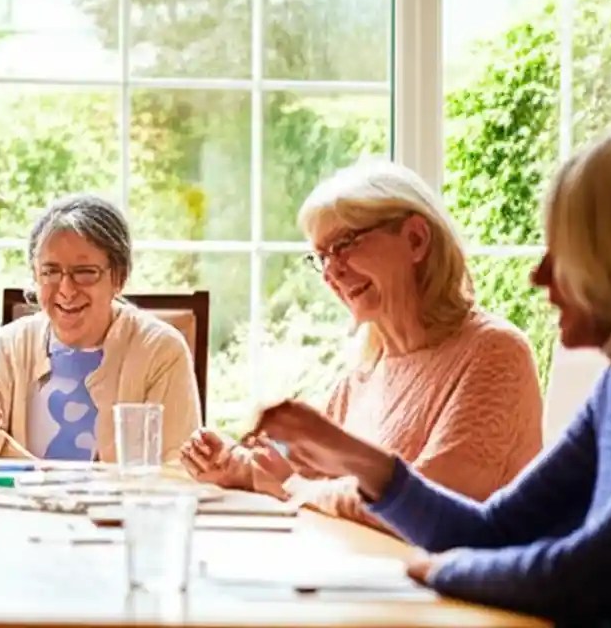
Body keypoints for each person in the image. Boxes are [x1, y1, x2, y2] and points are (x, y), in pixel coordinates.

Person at [253, 127, 611, 622]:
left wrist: (438, 571)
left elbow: (587, 576)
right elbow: (493, 529)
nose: (537, 276)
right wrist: (362, 463)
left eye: (567, 253)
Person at [181, 161, 543, 529]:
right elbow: (313, 477)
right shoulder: (363, 373)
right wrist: (237, 465)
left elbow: (427, 511)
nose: (330, 272)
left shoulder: (495, 352)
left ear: (416, 239)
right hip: (376, 574)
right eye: (321, 257)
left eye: (345, 244)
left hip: (454, 585)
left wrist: (293, 486)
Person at [0, 194, 202, 462]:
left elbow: (177, 472)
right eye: (50, 271)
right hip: (17, 505)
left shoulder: (161, 351)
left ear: (119, 278)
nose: (65, 290)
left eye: (85, 272)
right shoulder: (7, 347)